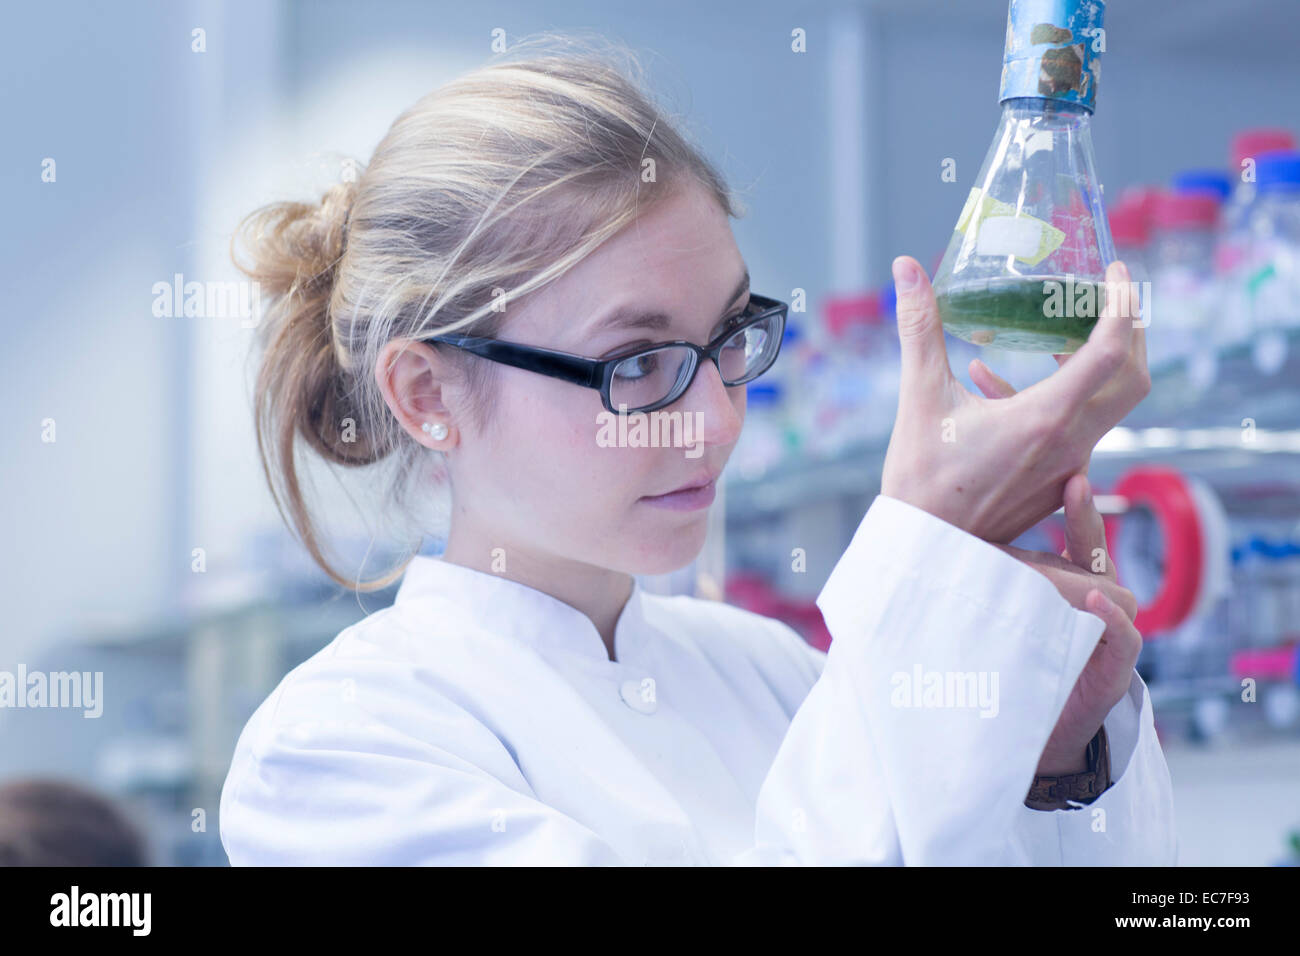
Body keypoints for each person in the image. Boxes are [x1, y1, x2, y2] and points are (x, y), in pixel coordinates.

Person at [219, 36, 1174, 865]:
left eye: (727, 341)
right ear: (428, 395)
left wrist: (1054, 761)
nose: (716, 421)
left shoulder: (770, 669)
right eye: (636, 362)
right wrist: (923, 550)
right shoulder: (338, 750)